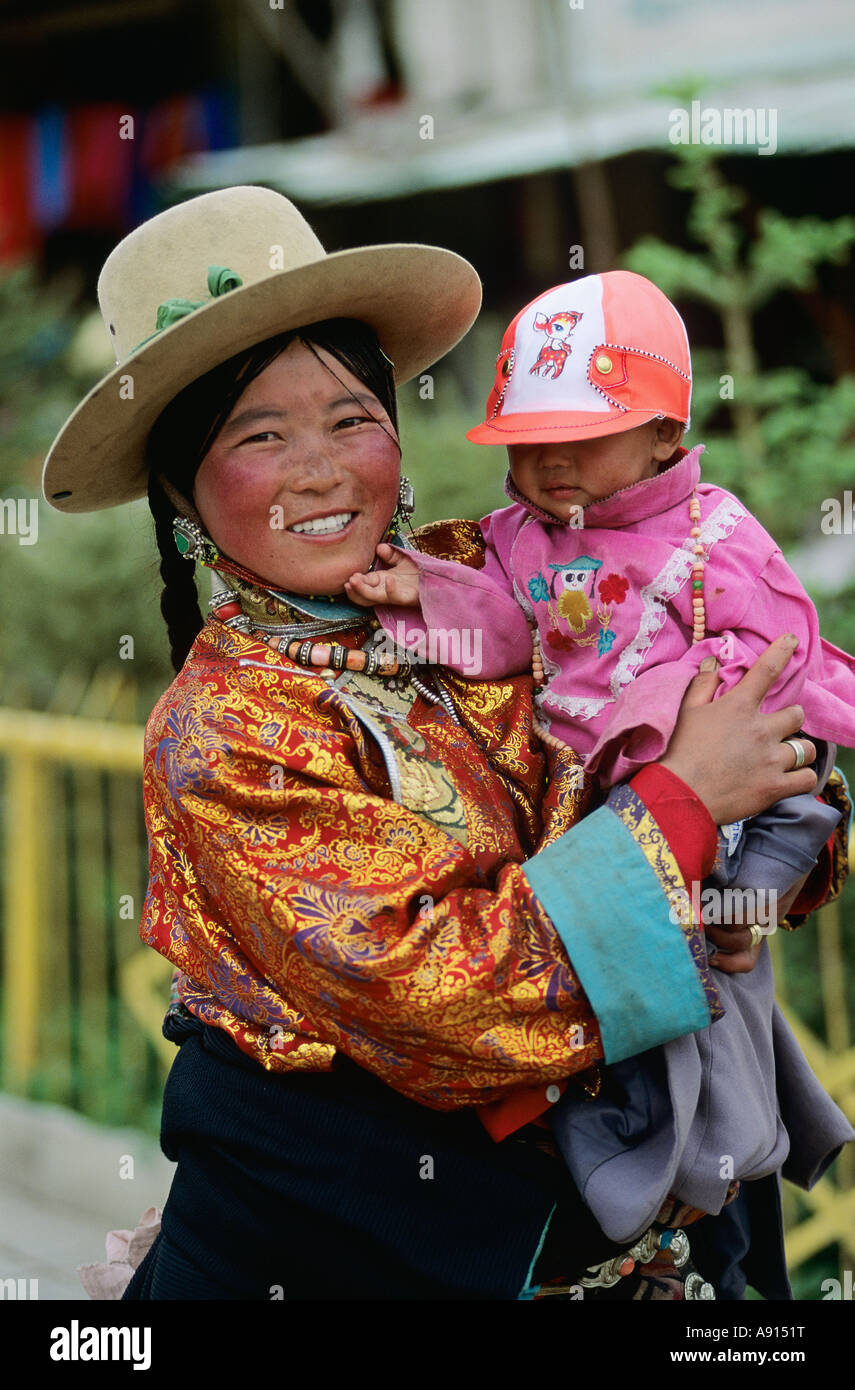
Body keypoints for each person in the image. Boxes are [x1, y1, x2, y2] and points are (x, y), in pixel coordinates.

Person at [43, 188, 850, 1301]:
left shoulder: (505, 570)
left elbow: (755, 741)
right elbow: (455, 1001)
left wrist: (768, 833)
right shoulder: (221, 737)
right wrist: (684, 799)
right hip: (365, 1250)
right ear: (181, 490)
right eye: (259, 435)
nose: (320, 468)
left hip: (644, 1242)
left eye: (350, 417)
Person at [344, 271, 855, 1259]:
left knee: (743, 913)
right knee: (657, 1014)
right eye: (530, 444)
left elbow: (787, 647)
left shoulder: (713, 533)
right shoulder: (514, 541)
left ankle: (722, 1126)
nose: (552, 463)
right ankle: (650, 1170)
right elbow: (497, 632)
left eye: (583, 435)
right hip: (601, 809)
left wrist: (731, 718)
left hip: (722, 783)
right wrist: (430, 593)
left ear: (667, 435)